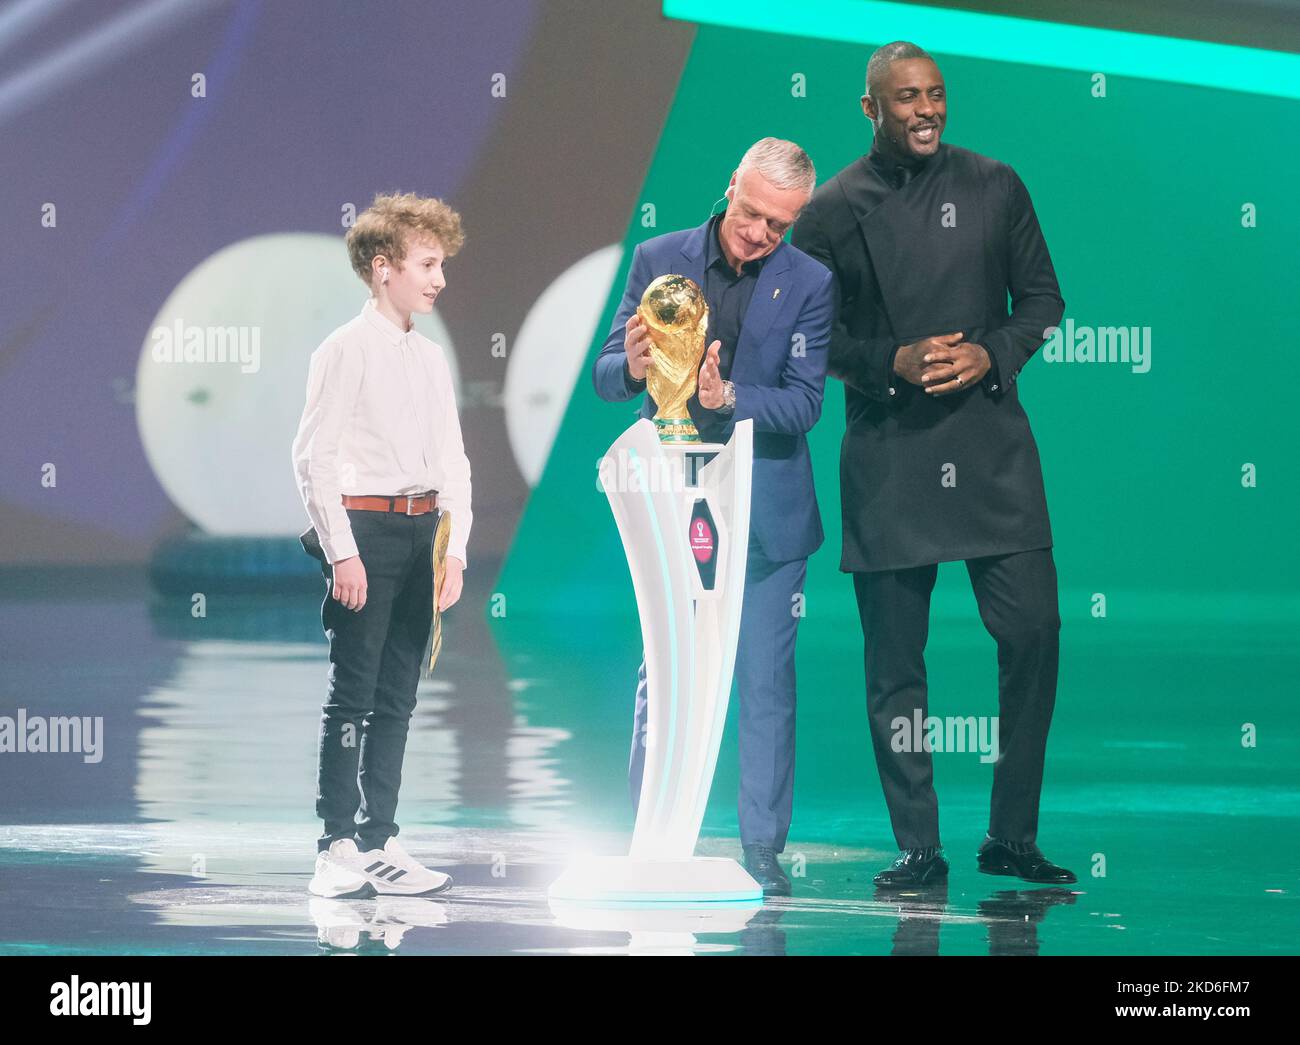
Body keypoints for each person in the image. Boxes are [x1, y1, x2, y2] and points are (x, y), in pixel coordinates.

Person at [791, 43, 1076, 887]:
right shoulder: (833, 209)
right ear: (870, 108)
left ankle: (1011, 836)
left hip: (992, 449)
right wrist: (891, 362)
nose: (926, 111)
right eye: (907, 98)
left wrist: (991, 353)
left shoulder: (996, 184)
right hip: (890, 453)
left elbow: (1046, 301)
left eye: (937, 96)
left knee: (1035, 632)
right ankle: (919, 845)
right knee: (895, 662)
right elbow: (812, 337)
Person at [593, 138, 833, 896]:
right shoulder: (658, 255)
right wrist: (633, 364)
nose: (760, 233)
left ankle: (761, 851)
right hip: (675, 504)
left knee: (763, 684)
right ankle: (655, 839)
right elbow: (606, 376)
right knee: (661, 677)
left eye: (779, 225)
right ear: (731, 185)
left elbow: (805, 403)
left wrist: (731, 400)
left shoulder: (811, 283)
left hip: (765, 517)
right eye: (753, 212)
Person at [291, 191, 472, 898]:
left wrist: (454, 548)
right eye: (427, 263)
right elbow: (314, 456)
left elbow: (453, 458)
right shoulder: (344, 349)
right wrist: (342, 552)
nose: (439, 278)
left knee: (399, 694)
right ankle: (335, 839)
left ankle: (380, 836)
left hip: (423, 531)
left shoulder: (428, 358)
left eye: (441, 264)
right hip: (364, 532)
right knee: (353, 692)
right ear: (381, 267)